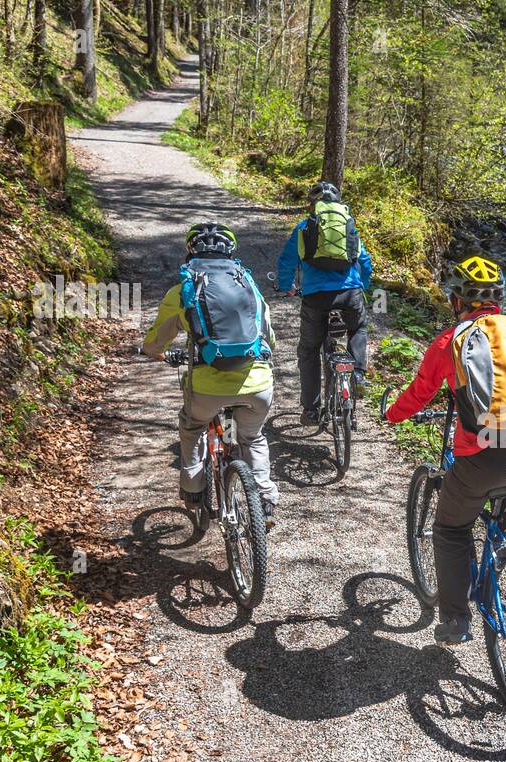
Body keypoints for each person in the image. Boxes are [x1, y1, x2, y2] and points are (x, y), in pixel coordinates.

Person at [384, 256, 506, 647]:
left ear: (456, 301)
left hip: (483, 458)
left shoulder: (450, 341)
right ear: (499, 301)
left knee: (449, 529)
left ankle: (456, 621)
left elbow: (420, 393)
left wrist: (392, 415)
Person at [141, 222, 280, 525]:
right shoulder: (249, 285)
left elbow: (155, 343)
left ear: (190, 253)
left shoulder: (183, 291)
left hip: (207, 388)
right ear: (231, 253)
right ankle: (265, 500)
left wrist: (157, 353)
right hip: (257, 384)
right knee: (252, 437)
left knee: (192, 427)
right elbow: (269, 338)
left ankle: (193, 491)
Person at [275, 181, 373, 426]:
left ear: (312, 205)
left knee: (309, 350)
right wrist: (362, 285)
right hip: (349, 294)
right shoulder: (349, 224)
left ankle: (311, 410)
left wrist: (287, 286)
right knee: (358, 329)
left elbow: (286, 261)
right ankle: (358, 373)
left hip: (316, 297)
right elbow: (364, 260)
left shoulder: (304, 227)